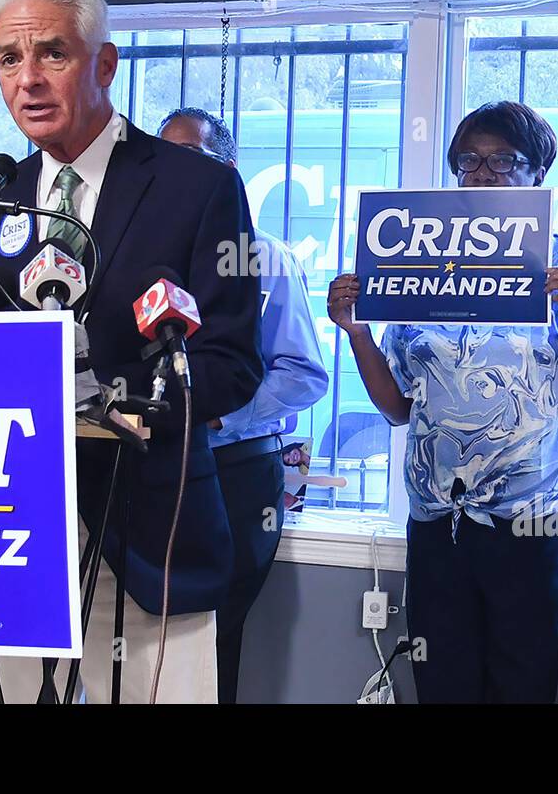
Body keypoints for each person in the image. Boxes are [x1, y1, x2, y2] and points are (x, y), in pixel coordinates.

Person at [0, 0, 263, 703]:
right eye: (7, 59)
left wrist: (127, 406)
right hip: (17, 530)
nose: (26, 79)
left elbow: (231, 361)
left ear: (104, 64)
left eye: (52, 54)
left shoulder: (198, 188)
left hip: (151, 531)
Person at [328, 101, 558, 703]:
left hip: (537, 525)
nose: (482, 176)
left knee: (523, 689)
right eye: (468, 161)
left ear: (537, 174)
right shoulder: (421, 261)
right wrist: (356, 331)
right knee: (443, 689)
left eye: (503, 162)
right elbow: (396, 407)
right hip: (440, 525)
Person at [157, 106, 328, 703]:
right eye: (164, 155)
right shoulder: (144, 256)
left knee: (211, 641)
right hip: (153, 469)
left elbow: (305, 375)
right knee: (149, 641)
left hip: (234, 473)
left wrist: (219, 414)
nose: (174, 170)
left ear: (227, 171)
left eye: (192, 157)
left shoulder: (265, 257)